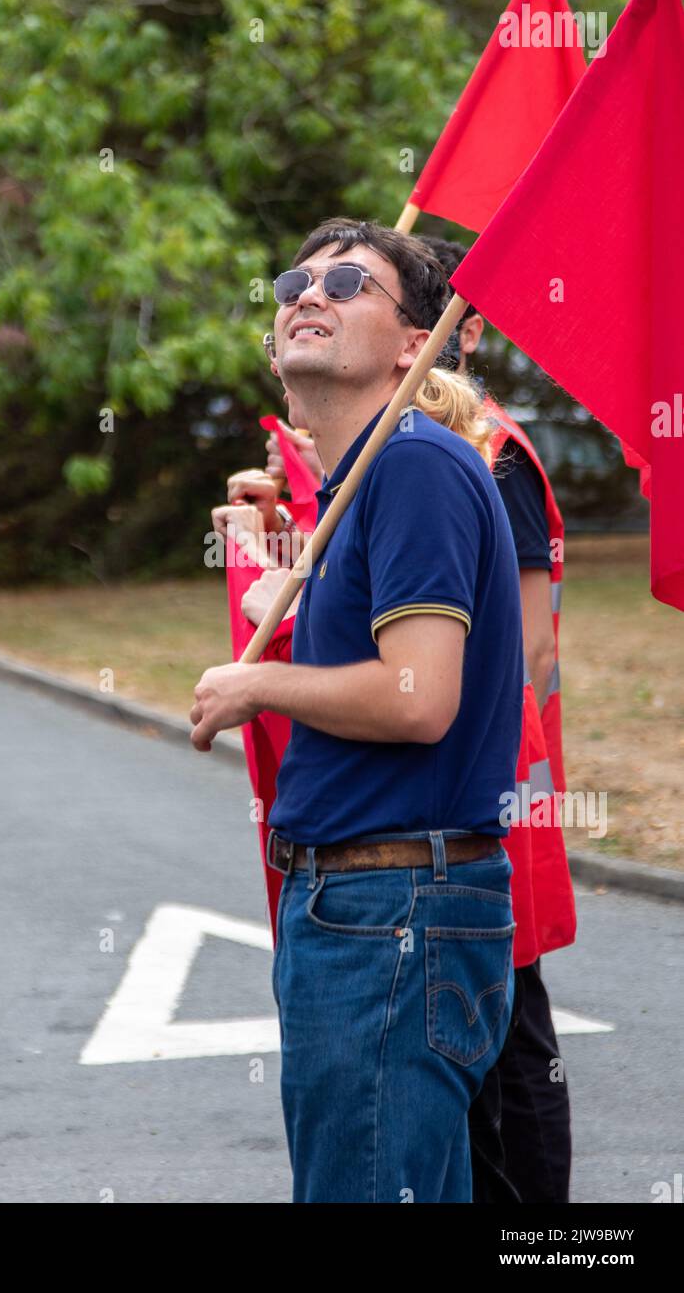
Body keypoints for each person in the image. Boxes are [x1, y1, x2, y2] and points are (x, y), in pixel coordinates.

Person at [191, 217, 524, 1203]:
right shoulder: (364, 478)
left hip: (391, 914)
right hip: (369, 909)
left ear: (416, 344)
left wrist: (256, 683)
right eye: (298, 278)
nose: (310, 292)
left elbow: (418, 698)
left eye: (349, 282)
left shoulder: (415, 462)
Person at [417, 236, 574, 1205]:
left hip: (500, 783)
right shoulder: (430, 439)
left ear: (466, 331)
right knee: (474, 1027)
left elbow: (530, 648)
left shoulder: (490, 451)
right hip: (467, 780)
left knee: (514, 1031)